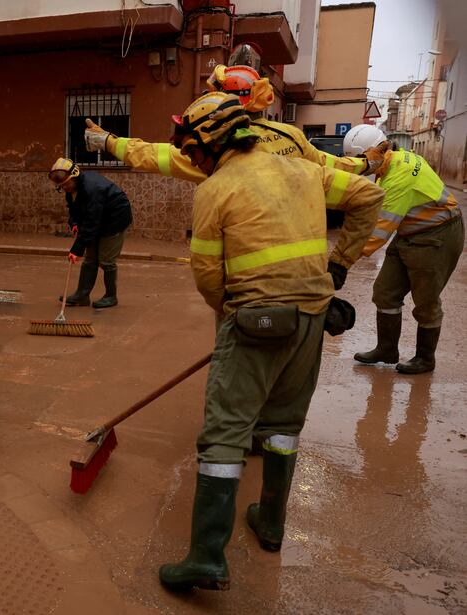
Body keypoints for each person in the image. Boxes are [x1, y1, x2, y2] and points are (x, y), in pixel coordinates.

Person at [157, 93, 383, 592]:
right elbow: (369, 197)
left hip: (254, 320)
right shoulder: (305, 171)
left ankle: (206, 556)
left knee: (225, 430)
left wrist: (231, 312)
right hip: (311, 320)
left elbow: (206, 275)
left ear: (212, 140)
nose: (190, 158)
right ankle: (272, 522)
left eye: (191, 147)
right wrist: (339, 263)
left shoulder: (216, 190)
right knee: (282, 425)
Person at [83, 64, 371, 181]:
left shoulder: (215, 149)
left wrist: (107, 140)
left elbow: (151, 155)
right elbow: (329, 164)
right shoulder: (291, 136)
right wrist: (366, 163)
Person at [344, 125, 463, 374]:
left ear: (373, 152)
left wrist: (341, 260)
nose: (359, 166)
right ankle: (387, 349)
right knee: (386, 292)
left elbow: (376, 233)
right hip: (410, 231)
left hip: (437, 234)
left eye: (360, 160)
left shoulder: (399, 178)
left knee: (426, 301)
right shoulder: (395, 161)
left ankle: (425, 359)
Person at [47, 158, 133, 308]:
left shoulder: (93, 189)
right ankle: (82, 295)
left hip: (114, 220)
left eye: (66, 184)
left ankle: (111, 296)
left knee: (106, 260)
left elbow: (91, 221)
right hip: (97, 218)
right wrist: (74, 223)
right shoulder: (71, 187)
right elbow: (74, 209)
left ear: (75, 176)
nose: (64, 188)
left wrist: (76, 249)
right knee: (90, 258)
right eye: (61, 186)